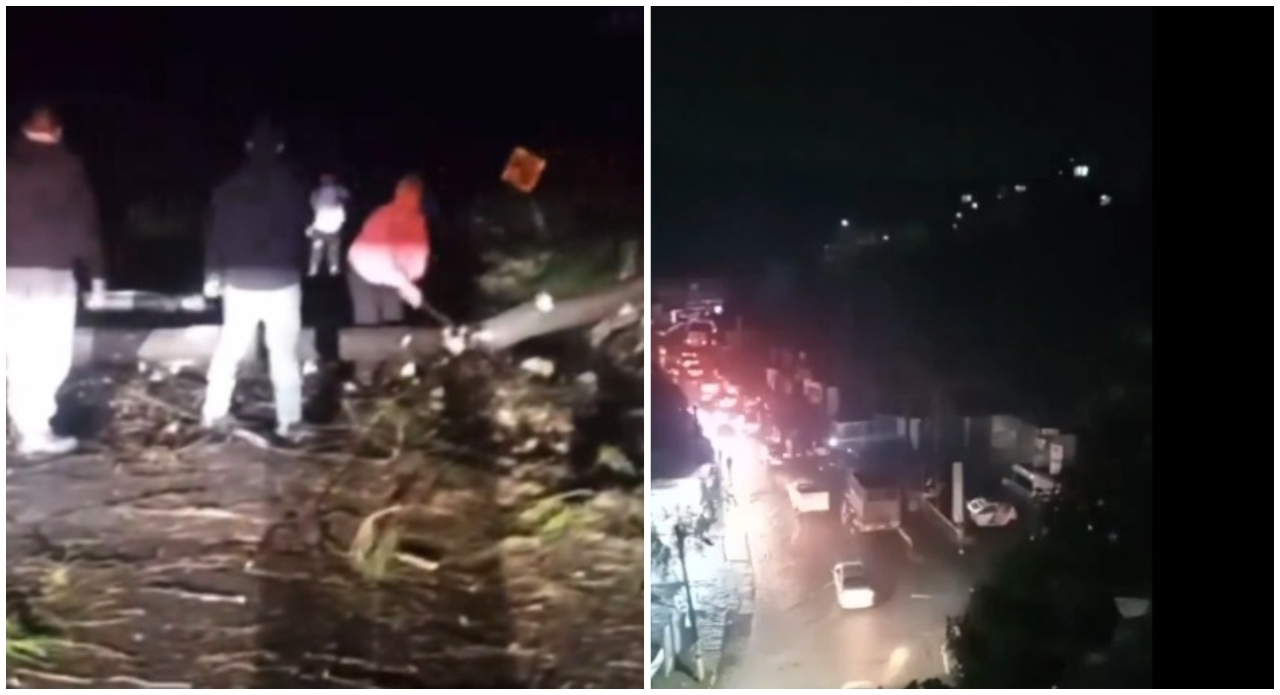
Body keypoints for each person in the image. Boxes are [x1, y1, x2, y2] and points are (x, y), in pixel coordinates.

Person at [6, 105, 106, 456]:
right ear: (59, 133)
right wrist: (97, 277)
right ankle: (34, 431)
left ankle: (23, 424)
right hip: (53, 276)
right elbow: (86, 226)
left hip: (10, 275)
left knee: (16, 353)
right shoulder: (69, 168)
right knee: (49, 357)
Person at [202, 118, 311, 440]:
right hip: (282, 279)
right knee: (284, 353)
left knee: (230, 349)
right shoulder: (293, 186)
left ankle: (213, 411)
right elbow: (304, 230)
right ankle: (289, 421)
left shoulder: (229, 187)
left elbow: (215, 232)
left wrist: (213, 272)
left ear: (248, 147)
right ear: (280, 147)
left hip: (240, 281)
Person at [346, 173, 431, 326]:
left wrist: (409, 284)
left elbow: (418, 259)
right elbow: (377, 260)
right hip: (363, 270)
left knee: (394, 321)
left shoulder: (418, 222)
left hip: (393, 274)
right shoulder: (383, 216)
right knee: (369, 324)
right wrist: (404, 284)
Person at [305, 172, 351, 277]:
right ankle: (332, 269)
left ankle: (314, 269)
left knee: (318, 250)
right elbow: (346, 202)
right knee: (332, 250)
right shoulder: (338, 196)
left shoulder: (317, 193)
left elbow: (313, 206)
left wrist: (311, 227)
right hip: (332, 229)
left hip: (320, 229)